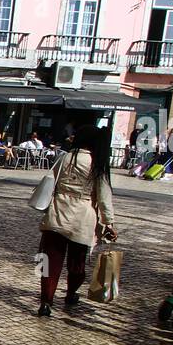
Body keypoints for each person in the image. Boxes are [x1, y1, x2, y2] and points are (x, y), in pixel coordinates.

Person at [36, 126, 118, 316]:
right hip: (83, 216)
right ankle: (71, 293)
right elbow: (104, 196)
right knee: (77, 263)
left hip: (57, 213)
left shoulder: (65, 157)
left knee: (49, 261)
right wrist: (109, 222)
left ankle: (46, 301)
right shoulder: (97, 163)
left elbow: (50, 180)